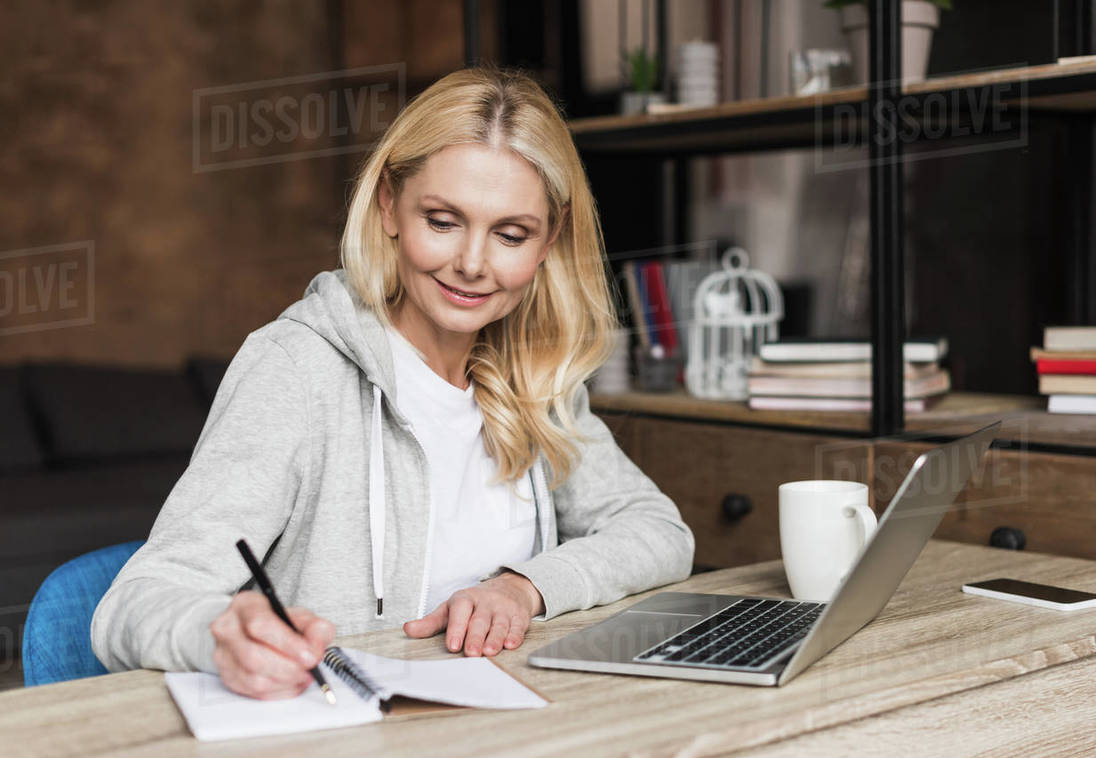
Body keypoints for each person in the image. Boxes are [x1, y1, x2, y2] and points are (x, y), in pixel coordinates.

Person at [90, 65, 694, 700]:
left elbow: (659, 533)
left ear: (548, 243)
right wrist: (217, 632)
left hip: (503, 733)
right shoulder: (297, 369)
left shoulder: (532, 376)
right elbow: (133, 604)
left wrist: (524, 586)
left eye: (511, 235)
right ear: (388, 206)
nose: (471, 263)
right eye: (442, 220)